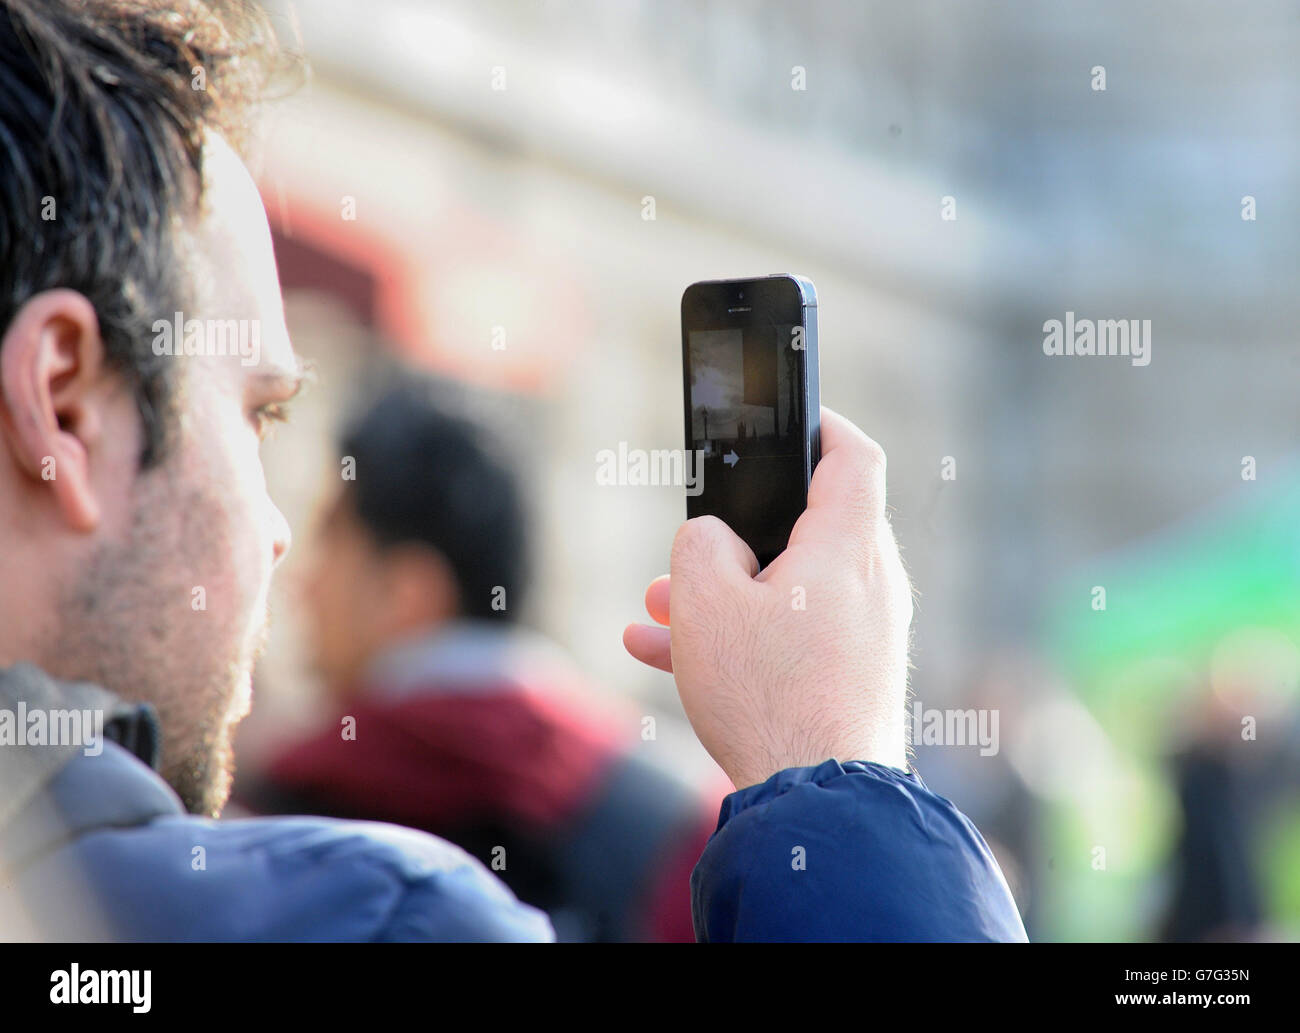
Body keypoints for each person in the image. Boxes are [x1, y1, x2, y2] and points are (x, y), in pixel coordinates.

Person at [0, 0, 1025, 942]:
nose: (283, 543)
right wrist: (837, 763)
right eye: (260, 413)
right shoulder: (387, 917)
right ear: (64, 403)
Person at [238, 377, 729, 942]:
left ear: (406, 593)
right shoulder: (689, 819)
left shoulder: (288, 809)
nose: (302, 582)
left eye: (330, 540)